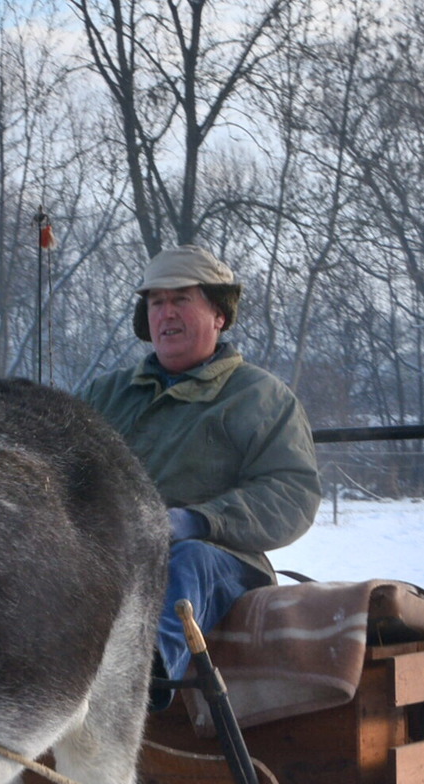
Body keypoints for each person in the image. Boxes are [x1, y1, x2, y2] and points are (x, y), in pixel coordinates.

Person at [76, 244, 321, 698]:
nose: (166, 313)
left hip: (222, 562)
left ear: (219, 315)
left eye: (181, 299)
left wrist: (196, 521)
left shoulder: (258, 397)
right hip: (117, 554)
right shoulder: (107, 395)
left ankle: (139, 686)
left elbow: (292, 492)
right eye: (155, 302)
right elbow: (58, 467)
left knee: (188, 560)